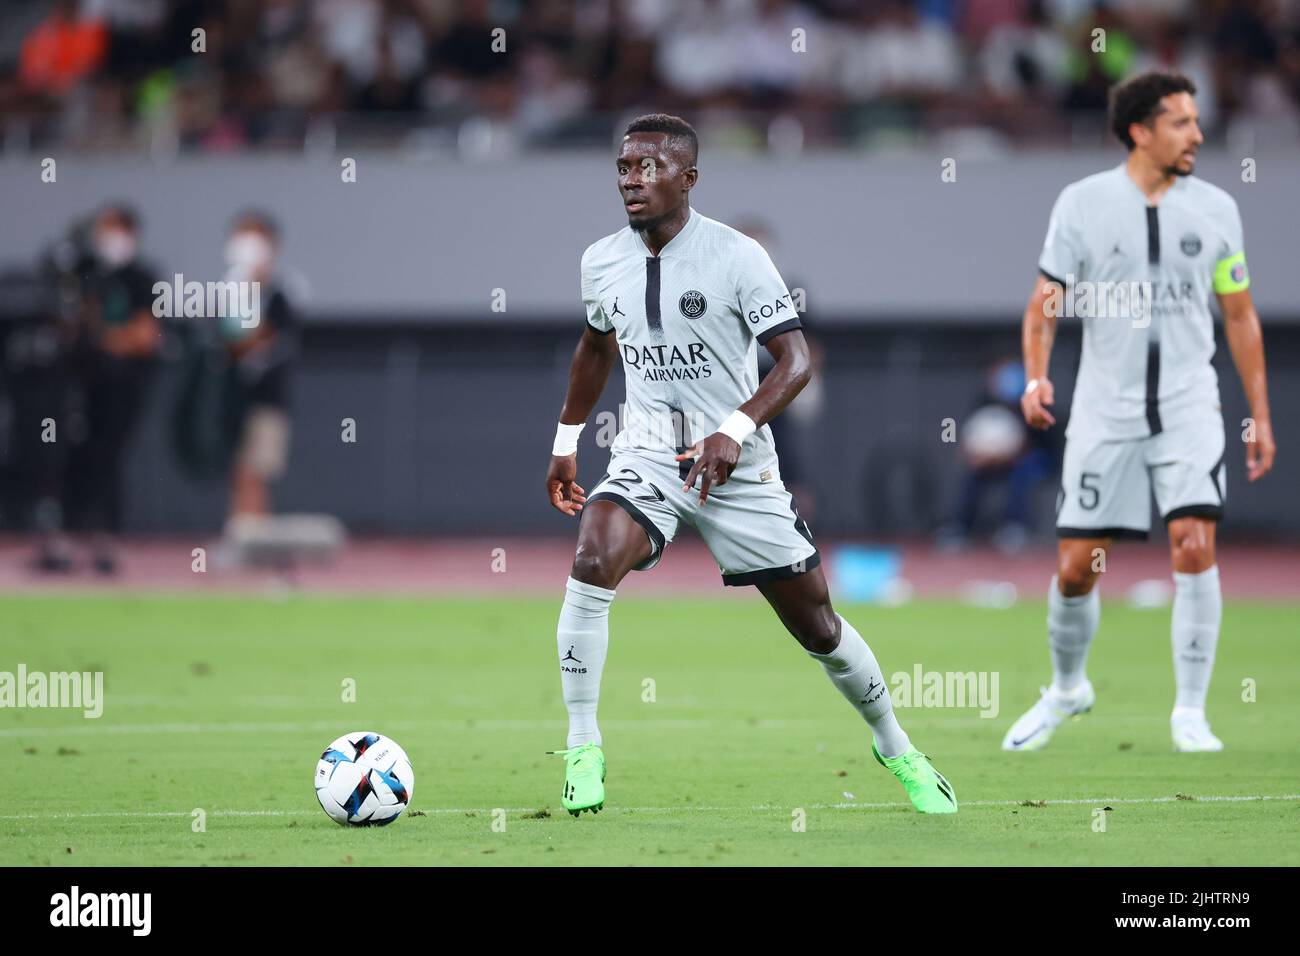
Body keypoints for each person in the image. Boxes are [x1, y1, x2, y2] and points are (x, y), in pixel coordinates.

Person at [544, 114, 956, 816]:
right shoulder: (601, 259)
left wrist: (733, 429)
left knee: (819, 627)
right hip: (648, 452)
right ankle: (583, 745)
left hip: (738, 467)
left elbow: (795, 360)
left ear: (689, 180)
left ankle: (896, 745)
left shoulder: (736, 257)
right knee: (591, 557)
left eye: (649, 168)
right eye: (623, 168)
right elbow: (594, 347)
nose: (632, 181)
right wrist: (565, 443)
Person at [1003, 71, 1276, 753]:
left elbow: (1239, 317)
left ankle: (1189, 711)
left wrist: (1261, 415)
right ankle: (1067, 690)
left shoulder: (1217, 209)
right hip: (1105, 411)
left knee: (1194, 542)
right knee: (1078, 567)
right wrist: (1035, 378)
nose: (1198, 135)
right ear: (1140, 130)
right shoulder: (1083, 203)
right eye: (1181, 122)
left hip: (1190, 407)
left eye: (1196, 121)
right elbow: (1045, 304)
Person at [55, 204, 162, 574]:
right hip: (86, 382)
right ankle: (66, 538)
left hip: (124, 386)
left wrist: (103, 339)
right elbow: (72, 322)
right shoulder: (88, 273)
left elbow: (145, 336)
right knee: (76, 458)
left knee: (108, 458)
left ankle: (106, 540)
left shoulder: (142, 278)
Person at [219, 211, 298, 526]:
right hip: (234, 397)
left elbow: (258, 338)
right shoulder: (230, 290)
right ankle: (241, 532)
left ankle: (255, 538)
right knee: (238, 471)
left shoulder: (281, 292)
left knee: (256, 473)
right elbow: (227, 340)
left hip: (267, 398)